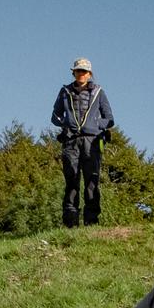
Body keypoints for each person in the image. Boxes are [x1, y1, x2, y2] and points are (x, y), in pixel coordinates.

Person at [51, 57, 114, 227]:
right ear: (73, 72)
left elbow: (109, 119)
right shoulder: (64, 92)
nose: (81, 74)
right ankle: (70, 221)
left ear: (89, 74)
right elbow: (54, 116)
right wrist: (66, 124)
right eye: (78, 71)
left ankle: (91, 221)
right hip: (70, 141)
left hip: (92, 142)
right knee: (71, 180)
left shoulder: (98, 92)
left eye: (84, 71)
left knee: (91, 181)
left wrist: (94, 125)